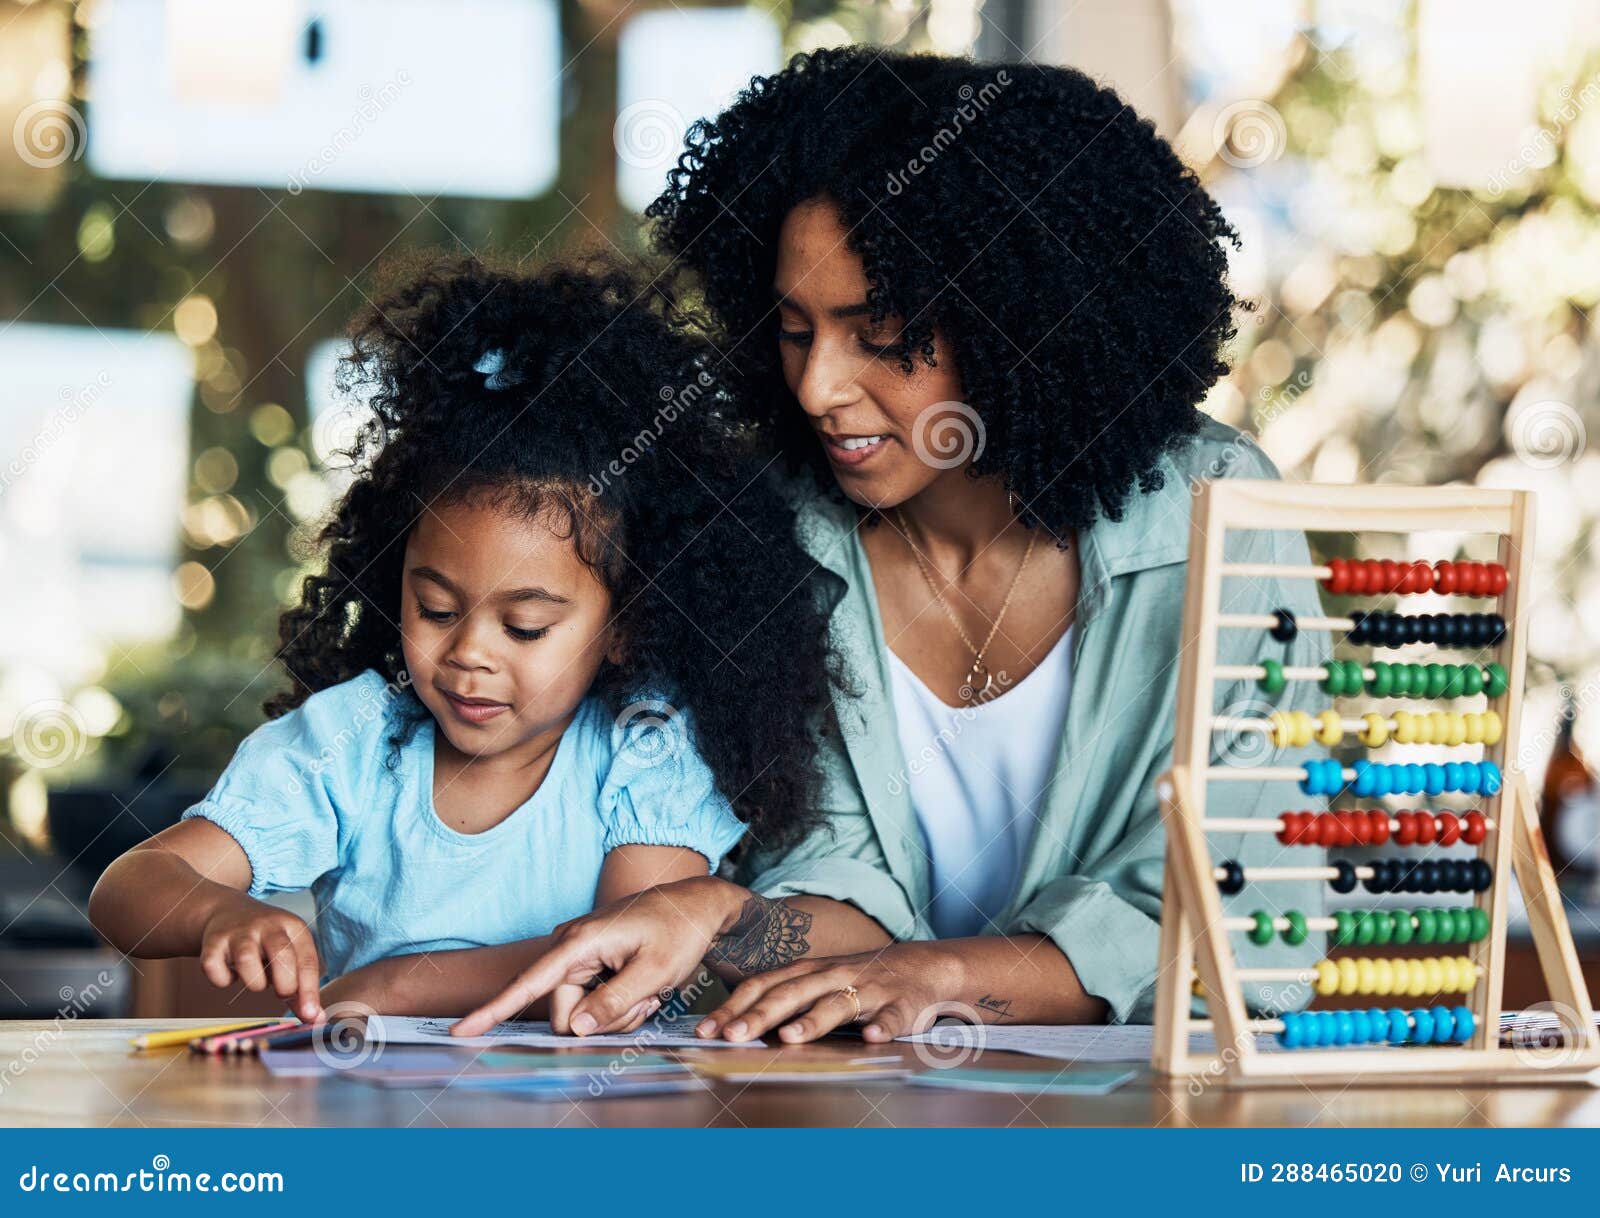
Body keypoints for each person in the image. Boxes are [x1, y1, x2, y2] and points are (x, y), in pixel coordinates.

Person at [454, 48, 1327, 1045]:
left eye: (876, 333)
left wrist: (943, 976)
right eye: (792, 329)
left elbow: (1249, 920)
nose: (818, 385)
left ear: (1019, 323)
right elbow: (834, 889)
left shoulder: (1211, 517)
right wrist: (722, 922)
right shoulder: (776, 532)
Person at [88, 255, 865, 1029]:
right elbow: (130, 887)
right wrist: (214, 913)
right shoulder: (355, 739)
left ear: (626, 625)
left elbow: (620, 957)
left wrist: (392, 987)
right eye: (434, 608)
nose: (470, 654)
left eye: (525, 627)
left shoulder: (646, 751)